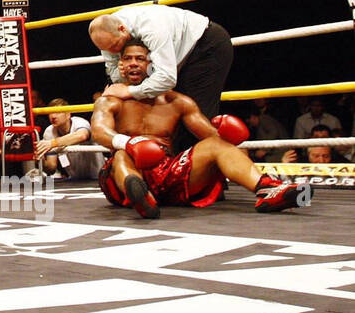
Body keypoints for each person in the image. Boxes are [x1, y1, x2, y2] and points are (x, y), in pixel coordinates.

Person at [91, 41, 305, 219]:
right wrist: (130, 143)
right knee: (120, 155)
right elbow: (99, 131)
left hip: (166, 172)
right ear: (120, 64)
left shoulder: (178, 102)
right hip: (123, 174)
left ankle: (267, 189)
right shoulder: (111, 101)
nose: (133, 64)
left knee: (216, 145)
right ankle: (139, 197)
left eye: (140, 58)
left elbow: (213, 138)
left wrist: (231, 143)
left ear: (153, 64)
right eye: (128, 59)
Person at [88, 5, 233, 154]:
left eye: (115, 45)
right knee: (167, 113)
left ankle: (200, 169)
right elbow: (117, 77)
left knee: (192, 115)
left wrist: (130, 91)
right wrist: (122, 78)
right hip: (176, 58)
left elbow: (167, 78)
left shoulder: (151, 28)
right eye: (107, 49)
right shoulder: (107, 39)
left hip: (204, 46)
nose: (114, 52)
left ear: (122, 29)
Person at [35, 99, 96, 180]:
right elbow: (51, 168)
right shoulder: (49, 131)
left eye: (57, 112)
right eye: (51, 112)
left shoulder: (80, 122)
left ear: (68, 114)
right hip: (75, 180)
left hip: (96, 177)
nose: (53, 116)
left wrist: (53, 143)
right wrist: (41, 160)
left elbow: (82, 136)